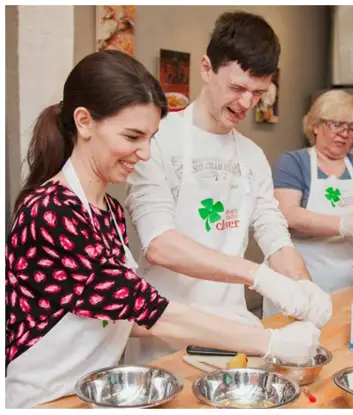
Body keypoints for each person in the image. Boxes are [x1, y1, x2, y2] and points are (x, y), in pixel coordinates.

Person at [5, 50, 320, 409]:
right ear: (84, 122)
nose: (145, 153)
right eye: (132, 136)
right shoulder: (50, 212)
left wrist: (233, 327)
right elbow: (147, 312)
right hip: (44, 398)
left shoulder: (107, 211)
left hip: (92, 389)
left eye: (150, 137)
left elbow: (122, 313)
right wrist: (269, 342)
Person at [122, 11, 331, 365]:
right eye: (237, 88)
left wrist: (302, 286)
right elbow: (159, 244)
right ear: (206, 68)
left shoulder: (252, 155)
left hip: (234, 333)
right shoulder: (157, 138)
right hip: (165, 334)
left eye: (258, 92)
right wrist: (259, 275)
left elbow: (273, 232)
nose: (247, 103)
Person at [271, 90, 353, 301]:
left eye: (352, 128)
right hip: (303, 282)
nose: (344, 133)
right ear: (316, 126)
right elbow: (288, 214)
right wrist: (344, 225)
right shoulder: (293, 163)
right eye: (337, 124)